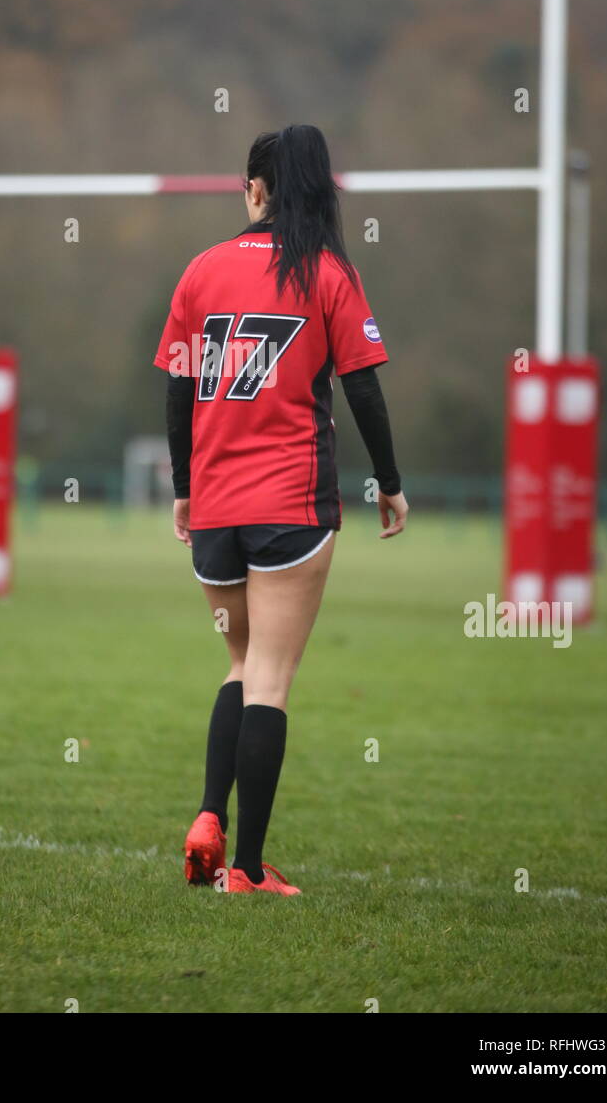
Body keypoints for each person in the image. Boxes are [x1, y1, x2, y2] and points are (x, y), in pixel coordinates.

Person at [153, 124, 408, 896]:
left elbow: (178, 389)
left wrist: (184, 485)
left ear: (258, 189)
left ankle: (208, 814)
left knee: (237, 664)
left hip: (217, 508)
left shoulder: (201, 271)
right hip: (291, 506)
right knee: (270, 677)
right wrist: (389, 481)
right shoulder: (330, 273)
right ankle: (247, 869)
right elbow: (362, 385)